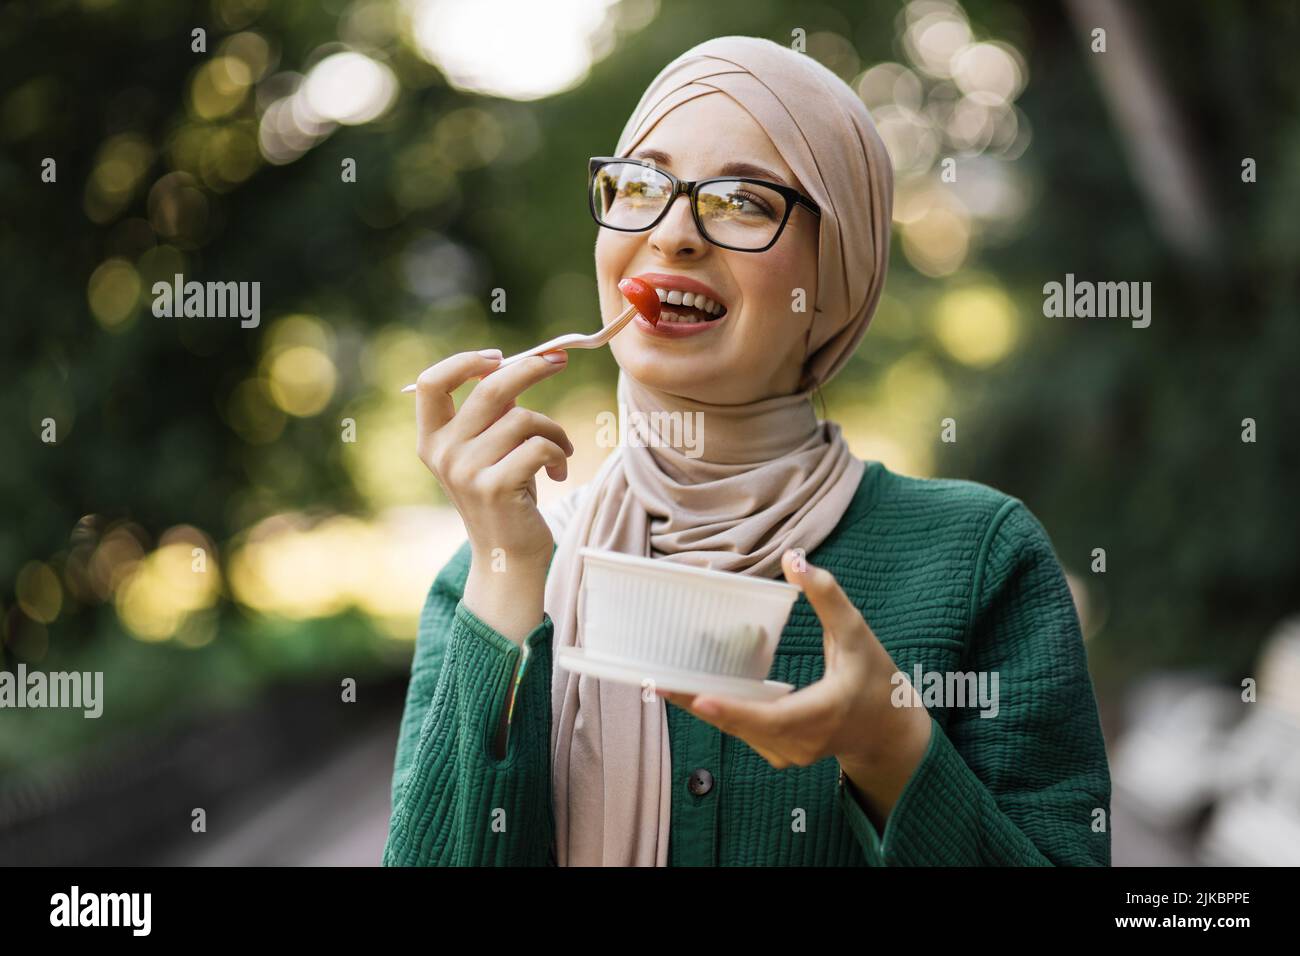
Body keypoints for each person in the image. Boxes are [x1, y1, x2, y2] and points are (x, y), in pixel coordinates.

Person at [383, 36, 1111, 867]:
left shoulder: (979, 558)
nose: (675, 232)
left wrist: (890, 751)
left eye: (742, 201)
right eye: (640, 184)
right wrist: (508, 578)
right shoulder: (487, 572)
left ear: (835, 272)